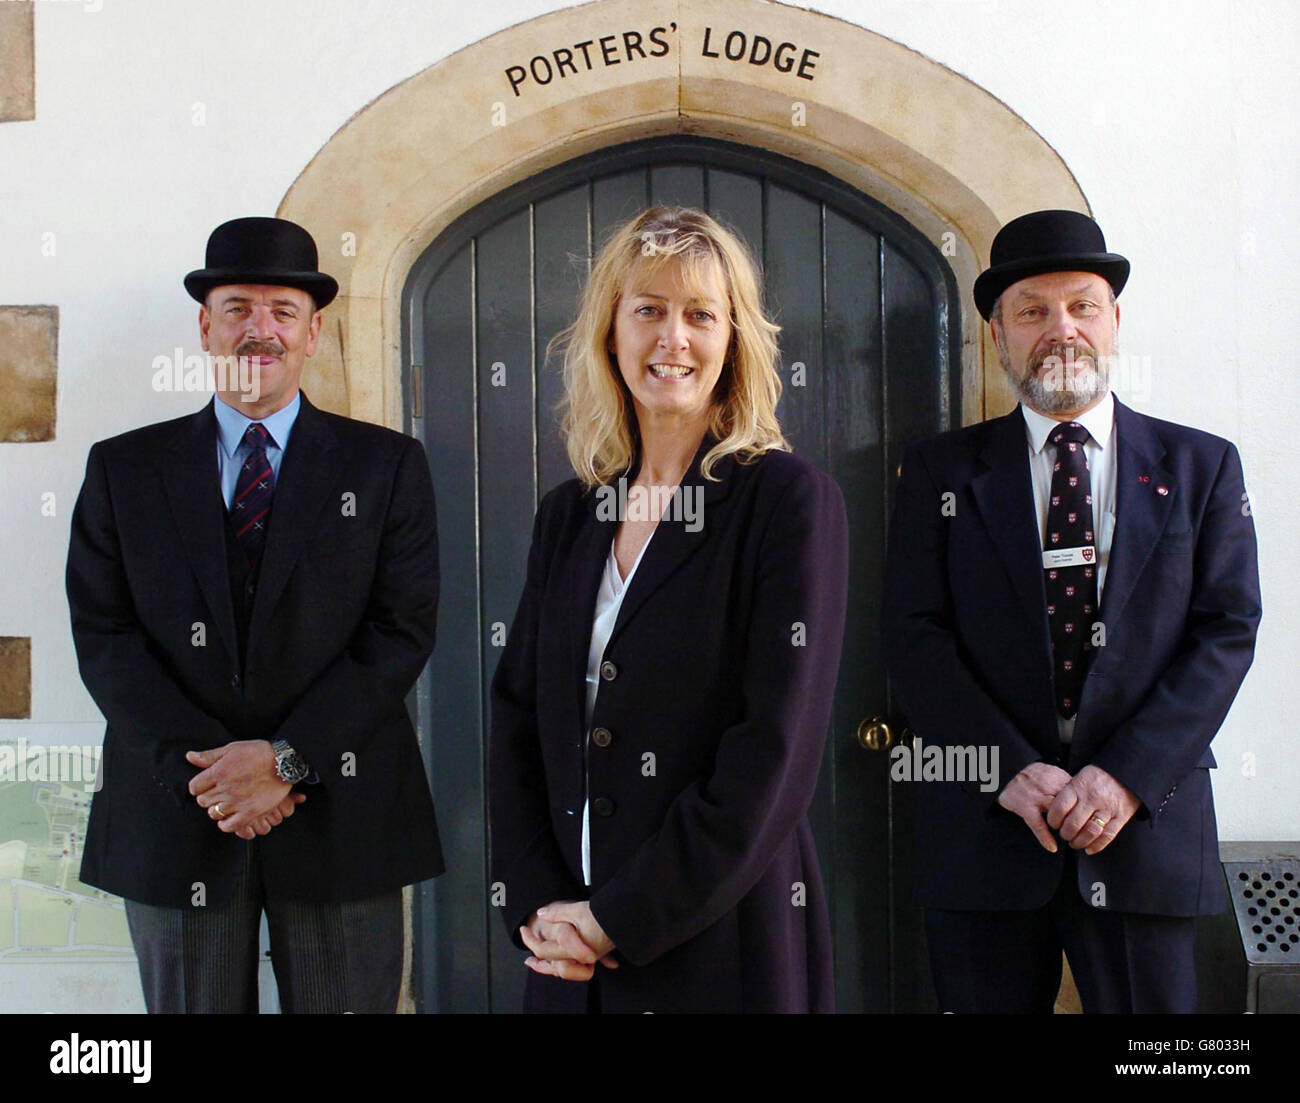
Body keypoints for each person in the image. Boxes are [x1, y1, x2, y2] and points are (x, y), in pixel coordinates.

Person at [882, 209, 1261, 1013]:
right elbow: (913, 638)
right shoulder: (937, 472)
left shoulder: (1201, 467)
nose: (1062, 328)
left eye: (1082, 305)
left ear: (1115, 321)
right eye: (1032, 310)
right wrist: (1006, 769)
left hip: (1144, 834)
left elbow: (1226, 633)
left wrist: (1126, 776)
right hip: (985, 840)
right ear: (997, 335)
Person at [65, 216, 444, 1013]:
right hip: (179, 813)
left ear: (313, 333)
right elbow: (106, 639)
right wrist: (219, 779)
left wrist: (286, 760)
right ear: (206, 326)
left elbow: (398, 634)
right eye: (238, 307)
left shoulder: (386, 468)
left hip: (343, 813)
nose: (259, 330)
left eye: (282, 311)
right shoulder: (123, 469)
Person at [488, 206, 849, 1013]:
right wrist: (538, 908)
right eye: (647, 309)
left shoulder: (787, 502)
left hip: (721, 945)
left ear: (734, 340)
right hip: (565, 955)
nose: (672, 338)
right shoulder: (571, 514)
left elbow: (774, 751)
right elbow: (516, 717)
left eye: (700, 314)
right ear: (610, 332)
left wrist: (618, 917)